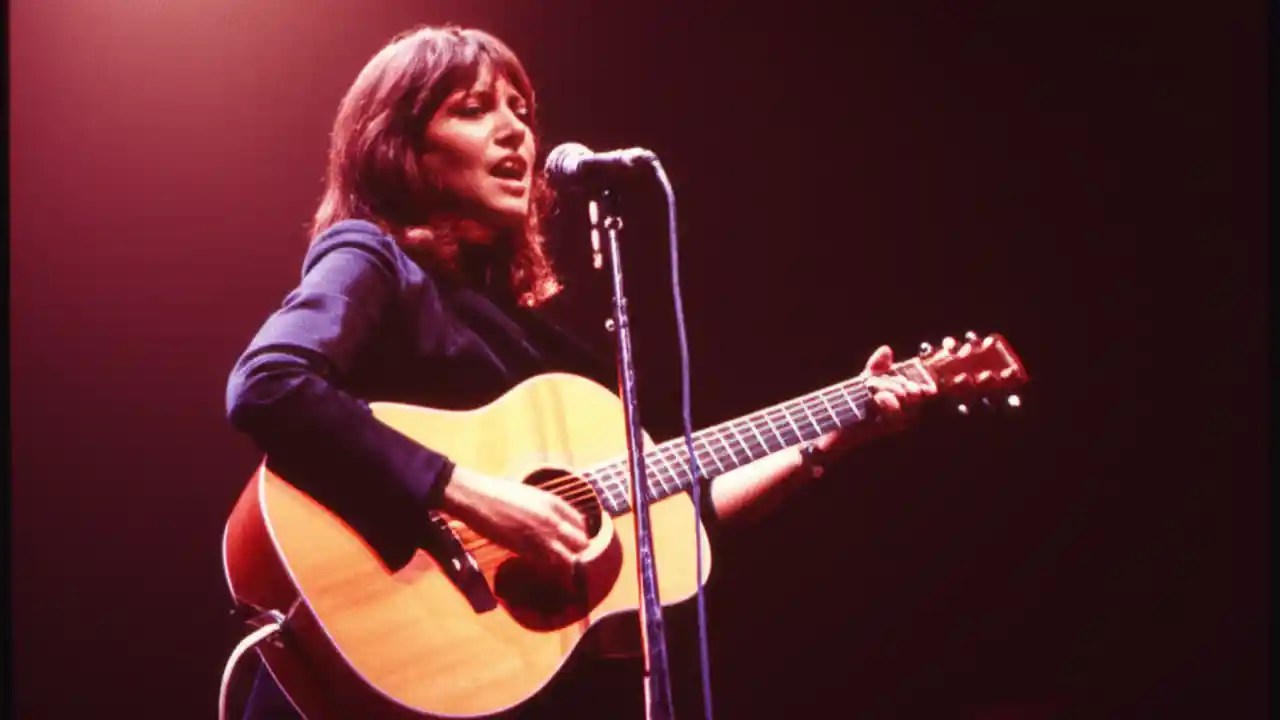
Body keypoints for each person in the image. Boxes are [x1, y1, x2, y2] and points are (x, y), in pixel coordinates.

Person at [224, 23, 934, 720]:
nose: (515, 133)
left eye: (522, 112)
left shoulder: (549, 359)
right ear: (402, 149)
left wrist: (833, 437)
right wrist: (468, 493)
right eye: (473, 111)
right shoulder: (375, 261)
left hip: (484, 686)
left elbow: (680, 519)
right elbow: (270, 384)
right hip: (368, 651)